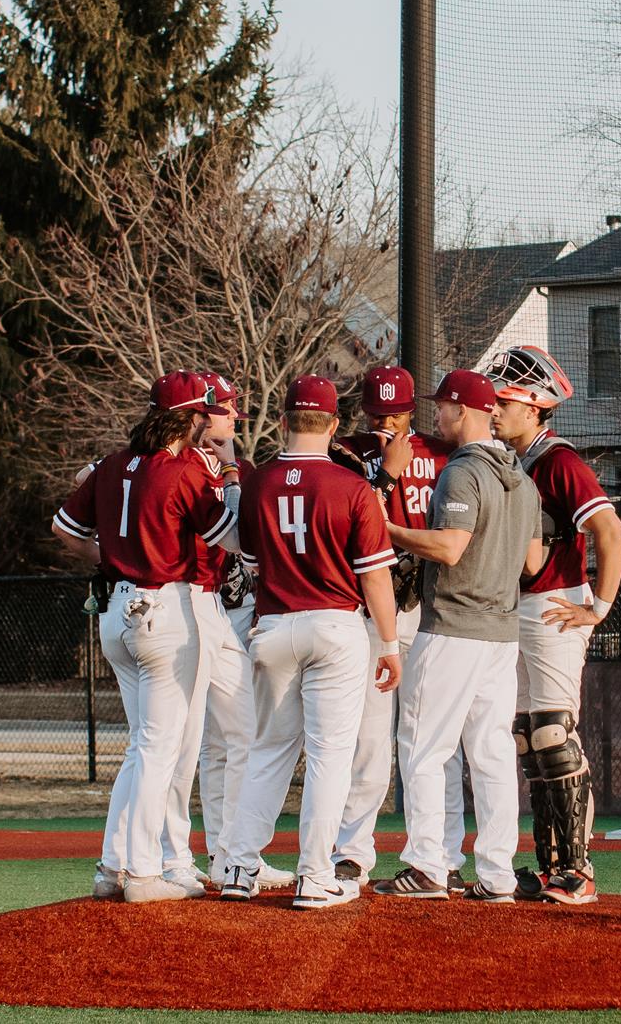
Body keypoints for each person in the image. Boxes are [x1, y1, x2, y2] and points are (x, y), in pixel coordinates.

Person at [216, 375, 403, 910]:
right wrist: (389, 644)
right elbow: (374, 578)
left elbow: (250, 564)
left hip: (273, 626)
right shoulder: (352, 487)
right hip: (335, 626)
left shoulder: (259, 483)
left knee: (268, 752)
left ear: (282, 422)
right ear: (335, 424)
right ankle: (314, 875)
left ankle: (238, 867)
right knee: (329, 756)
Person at [53, 371, 239, 902]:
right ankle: (140, 872)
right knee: (161, 748)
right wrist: (231, 484)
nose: (211, 418)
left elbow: (63, 529)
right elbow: (231, 535)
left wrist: (111, 560)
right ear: (191, 417)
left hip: (117, 610)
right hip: (168, 609)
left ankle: (112, 866)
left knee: (141, 747)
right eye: (205, 412)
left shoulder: (112, 465)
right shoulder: (186, 471)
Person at [374, 369, 545, 902]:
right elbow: (533, 561)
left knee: (424, 747)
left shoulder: (462, 471)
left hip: (453, 626)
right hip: (501, 631)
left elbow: (449, 548)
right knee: (491, 753)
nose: (437, 416)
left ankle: (429, 865)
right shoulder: (521, 476)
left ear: (463, 410)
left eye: (443, 407)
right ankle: (496, 875)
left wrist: (387, 530)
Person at [484, 345, 621, 906]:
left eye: (504, 401)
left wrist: (600, 607)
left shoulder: (559, 462)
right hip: (517, 608)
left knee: (552, 732)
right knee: (526, 737)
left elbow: (610, 533)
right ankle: (549, 867)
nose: (494, 410)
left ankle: (578, 870)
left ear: (537, 407)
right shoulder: (512, 462)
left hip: (553, 607)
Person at [328, 365, 461, 892]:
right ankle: (352, 854)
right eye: (379, 412)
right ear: (364, 409)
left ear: (413, 410)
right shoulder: (344, 453)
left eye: (398, 412)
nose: (388, 420)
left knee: (430, 737)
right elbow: (344, 521)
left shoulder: (442, 452)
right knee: (367, 739)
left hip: (431, 606)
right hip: (372, 607)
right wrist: (383, 470)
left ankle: (440, 855)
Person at [175, 373, 295, 892]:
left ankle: (231, 854)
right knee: (188, 742)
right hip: (181, 603)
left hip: (221, 608)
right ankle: (175, 855)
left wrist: (228, 466)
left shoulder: (234, 468)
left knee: (236, 734)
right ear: (200, 414)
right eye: (224, 413)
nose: (231, 423)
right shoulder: (176, 466)